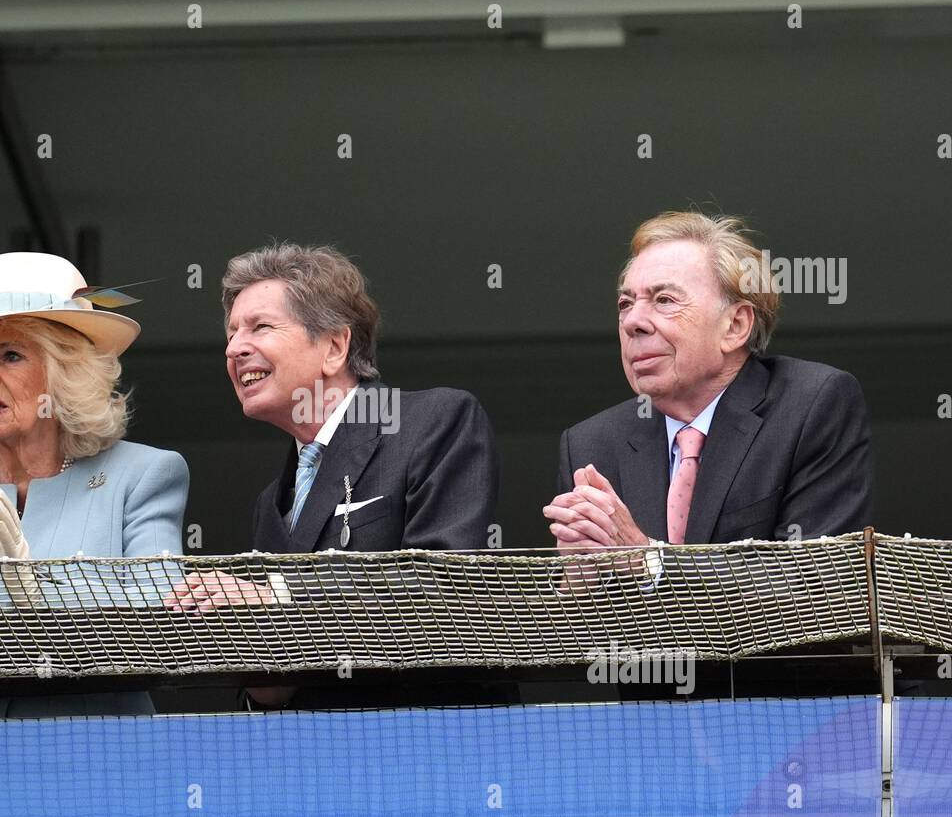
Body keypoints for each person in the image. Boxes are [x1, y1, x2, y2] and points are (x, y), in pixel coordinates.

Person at [166, 242, 506, 709]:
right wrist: (251, 668)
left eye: (260, 327)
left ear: (334, 346)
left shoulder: (433, 420)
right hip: (316, 763)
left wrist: (274, 593)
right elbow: (283, 675)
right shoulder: (272, 504)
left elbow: (440, 585)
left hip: (430, 747)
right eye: (231, 333)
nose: (235, 348)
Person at [0, 251, 188, 718]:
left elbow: (163, 635)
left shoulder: (142, 477)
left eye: (10, 355)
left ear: (66, 372)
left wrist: (42, 602)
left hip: (94, 768)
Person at [544, 210, 873, 556]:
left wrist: (648, 562)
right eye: (625, 303)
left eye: (664, 300)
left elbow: (815, 583)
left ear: (734, 326)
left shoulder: (812, 406)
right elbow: (580, 603)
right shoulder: (590, 445)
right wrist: (577, 584)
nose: (633, 322)